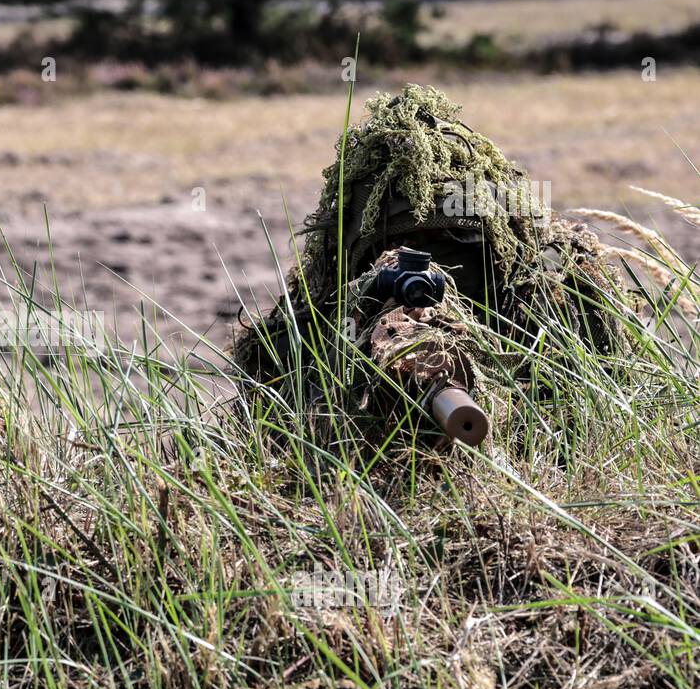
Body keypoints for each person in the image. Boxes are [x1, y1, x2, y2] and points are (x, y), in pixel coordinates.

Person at [231, 84, 637, 447]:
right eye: (393, 256)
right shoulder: (308, 330)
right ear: (353, 267)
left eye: (456, 257)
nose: (429, 284)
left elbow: (600, 429)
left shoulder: (556, 305)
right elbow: (278, 437)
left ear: (503, 259)